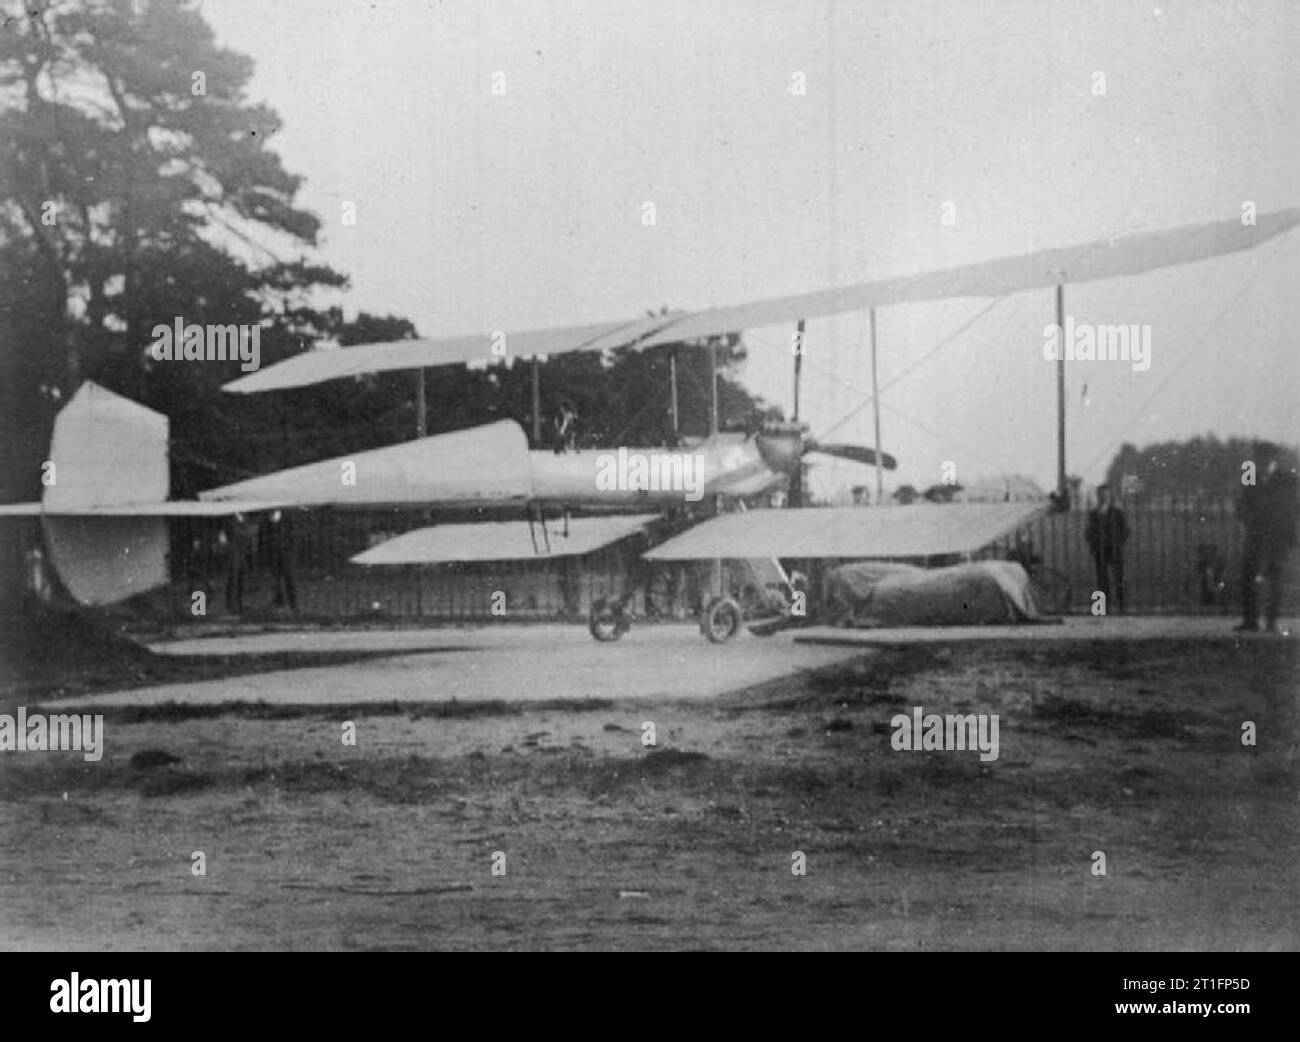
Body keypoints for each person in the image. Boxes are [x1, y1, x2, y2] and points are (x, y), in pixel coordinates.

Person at [1236, 443, 1298, 633]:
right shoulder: (1249, 472)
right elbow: (1243, 500)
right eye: (1258, 458)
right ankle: (1250, 621)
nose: (1261, 462)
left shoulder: (1287, 478)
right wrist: (1246, 517)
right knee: (1247, 575)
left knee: (1275, 576)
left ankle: (1272, 622)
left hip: (1278, 534)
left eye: (1265, 458)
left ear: (1273, 459)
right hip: (1255, 532)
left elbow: (1290, 507)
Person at [1085, 484, 1128, 614]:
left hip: (1114, 547)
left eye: (1107, 494)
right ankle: (1101, 608)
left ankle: (1121, 606)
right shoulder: (1094, 512)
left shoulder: (1117, 512)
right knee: (1101, 578)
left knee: (1118, 577)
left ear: (1110, 495)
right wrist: (1093, 543)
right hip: (1100, 548)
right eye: (1101, 494)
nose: (1104, 496)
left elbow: (1125, 530)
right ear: (1099, 496)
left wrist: (1118, 541)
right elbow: (1089, 531)